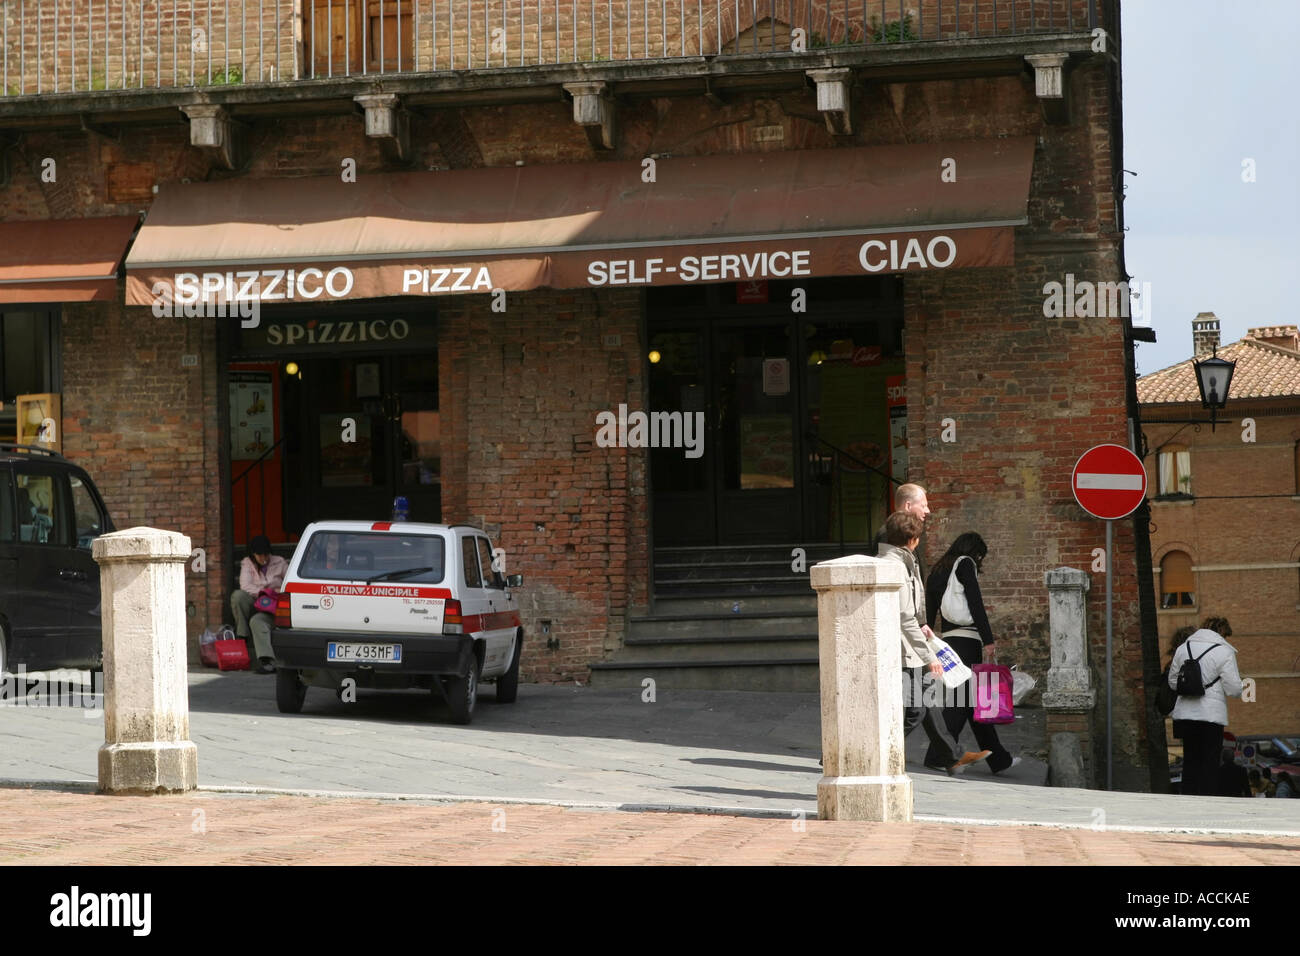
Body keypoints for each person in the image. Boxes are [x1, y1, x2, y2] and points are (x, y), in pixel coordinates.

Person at [878, 510, 990, 776]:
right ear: (914, 539)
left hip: (906, 645)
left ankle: (951, 757)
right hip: (903, 648)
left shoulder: (903, 560)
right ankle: (869, 753)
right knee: (915, 709)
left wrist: (924, 626)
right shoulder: (896, 565)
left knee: (922, 705)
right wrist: (929, 656)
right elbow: (905, 619)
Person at [925, 532, 1020, 775]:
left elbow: (930, 609)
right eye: (980, 556)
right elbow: (975, 603)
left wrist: (927, 640)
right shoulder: (965, 563)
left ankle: (999, 759)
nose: (980, 561)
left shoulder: (938, 569)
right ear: (974, 551)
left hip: (948, 640)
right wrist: (988, 640)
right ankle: (938, 756)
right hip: (968, 639)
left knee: (970, 701)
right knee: (962, 701)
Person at [1168, 617, 1242, 796]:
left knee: (1190, 760)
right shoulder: (1224, 652)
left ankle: (1188, 800)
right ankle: (1207, 801)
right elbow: (1234, 689)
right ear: (1222, 632)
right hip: (1211, 716)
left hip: (1185, 715)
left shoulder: (1182, 648)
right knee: (1210, 763)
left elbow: (1172, 682)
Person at [231, 534, 289, 674]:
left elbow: (289, 584)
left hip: (273, 605)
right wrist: (263, 592)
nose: (263, 558)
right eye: (260, 555)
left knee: (257, 621)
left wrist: (275, 594)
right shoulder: (247, 563)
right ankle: (242, 635)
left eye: (266, 554)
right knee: (237, 596)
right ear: (253, 554)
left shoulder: (280, 562)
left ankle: (267, 661)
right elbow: (245, 585)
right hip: (257, 599)